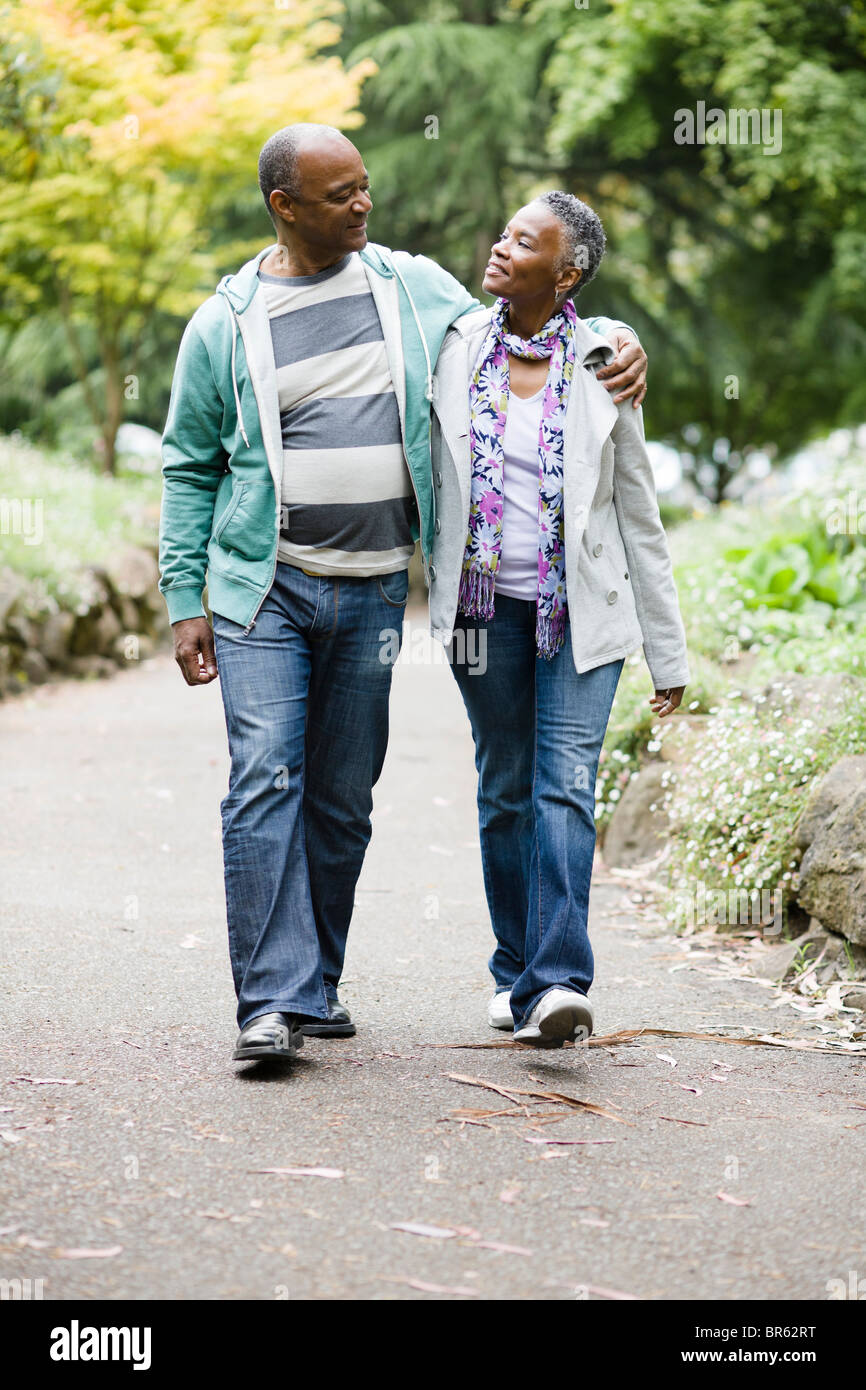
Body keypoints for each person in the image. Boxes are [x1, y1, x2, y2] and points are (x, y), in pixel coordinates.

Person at [159, 124, 648, 1065]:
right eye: (340, 194)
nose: (363, 205)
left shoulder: (412, 289)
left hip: (376, 591)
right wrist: (188, 598)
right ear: (284, 207)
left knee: (342, 797)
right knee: (265, 779)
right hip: (263, 589)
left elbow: (537, 316)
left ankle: (318, 984)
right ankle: (270, 1003)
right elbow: (188, 466)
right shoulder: (225, 322)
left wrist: (621, 343)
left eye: (365, 187)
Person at [428, 191, 688, 1046]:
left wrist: (668, 651)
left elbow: (637, 514)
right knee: (505, 789)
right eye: (502, 232)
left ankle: (556, 982)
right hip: (479, 610)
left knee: (562, 789)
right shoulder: (457, 343)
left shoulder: (605, 358)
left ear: (566, 271)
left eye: (524, 242)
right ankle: (514, 971)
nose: (501, 248)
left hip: (583, 613)